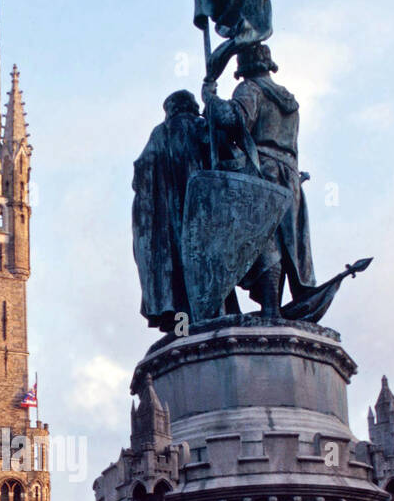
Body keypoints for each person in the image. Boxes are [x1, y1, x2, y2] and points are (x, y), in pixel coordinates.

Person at [202, 43, 315, 316]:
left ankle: (271, 308)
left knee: (263, 237)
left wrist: (211, 99)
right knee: (288, 240)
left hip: (261, 170)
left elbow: (233, 120)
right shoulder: (289, 101)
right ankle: (274, 305)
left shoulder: (250, 89)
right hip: (289, 174)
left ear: (243, 68)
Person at [132, 90, 210, 327]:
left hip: (168, 222)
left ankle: (181, 325)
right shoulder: (202, 127)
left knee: (176, 274)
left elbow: (140, 175)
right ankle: (210, 314)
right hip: (204, 214)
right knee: (207, 267)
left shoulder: (161, 133)